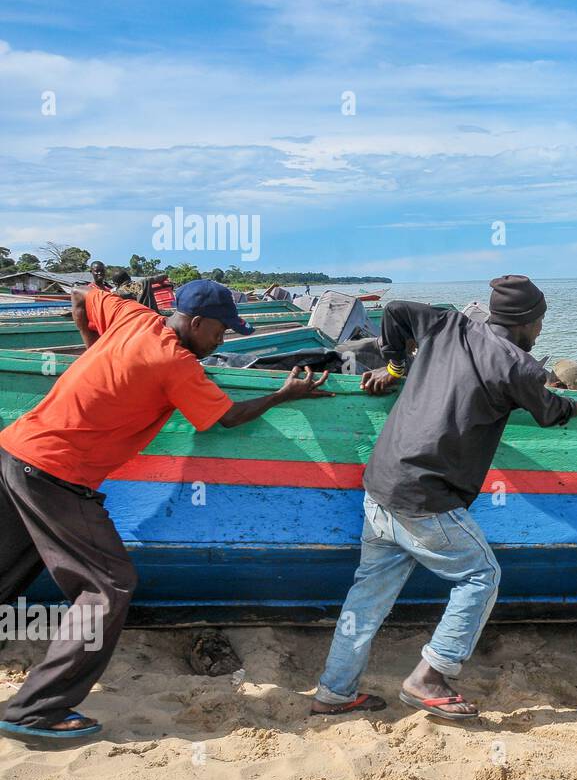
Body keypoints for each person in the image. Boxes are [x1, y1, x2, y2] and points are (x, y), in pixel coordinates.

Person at [0, 280, 331, 740]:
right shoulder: (175, 363)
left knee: (6, 570)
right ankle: (34, 713)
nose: (223, 340)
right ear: (196, 322)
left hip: (14, 453)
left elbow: (80, 296)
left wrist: (93, 353)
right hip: (55, 475)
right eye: (220, 331)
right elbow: (226, 417)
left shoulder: (133, 317)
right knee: (109, 587)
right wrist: (282, 394)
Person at [311, 275, 577, 721]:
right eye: (540, 323)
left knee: (367, 595)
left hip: (380, 485)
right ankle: (430, 677)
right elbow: (551, 411)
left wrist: (396, 366)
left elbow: (396, 310)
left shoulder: (447, 324)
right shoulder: (519, 366)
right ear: (528, 322)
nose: (539, 333)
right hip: (425, 496)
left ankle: (334, 692)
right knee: (481, 576)